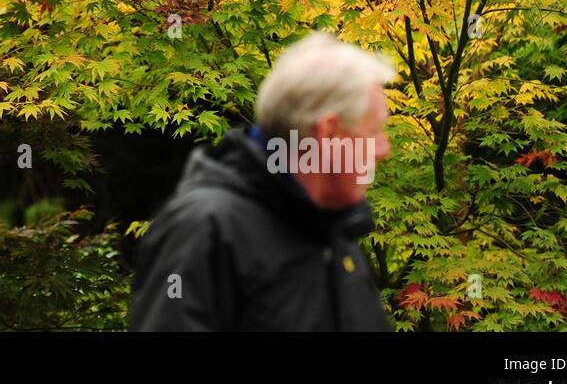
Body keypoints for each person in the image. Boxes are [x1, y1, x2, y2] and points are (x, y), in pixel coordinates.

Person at [130, 32, 395, 331]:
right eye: (373, 132)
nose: (384, 150)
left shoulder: (333, 231)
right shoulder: (204, 229)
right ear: (328, 132)